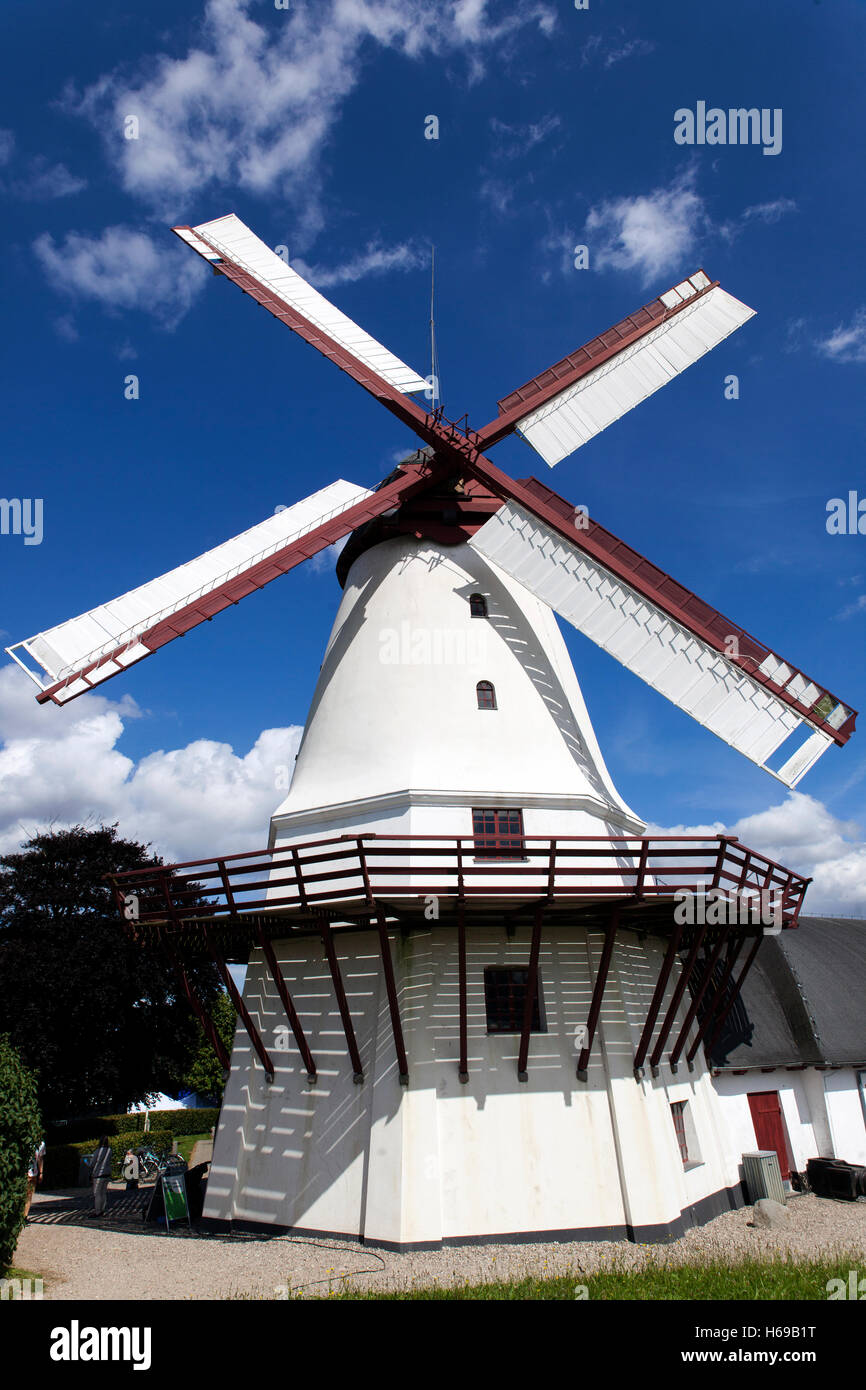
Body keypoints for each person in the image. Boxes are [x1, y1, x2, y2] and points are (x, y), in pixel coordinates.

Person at [89, 1136, 112, 1216]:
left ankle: (97, 1211)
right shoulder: (109, 1151)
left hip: (98, 1174)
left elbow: (92, 1163)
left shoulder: (97, 1151)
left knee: (97, 1193)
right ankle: (102, 1209)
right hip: (107, 1173)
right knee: (103, 1193)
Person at [25, 1138, 46, 1219]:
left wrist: (41, 1172)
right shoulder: (26, 1141)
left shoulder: (41, 1144)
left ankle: (25, 1216)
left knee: (29, 1195)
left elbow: (40, 1159)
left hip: (34, 1172)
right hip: (25, 1172)